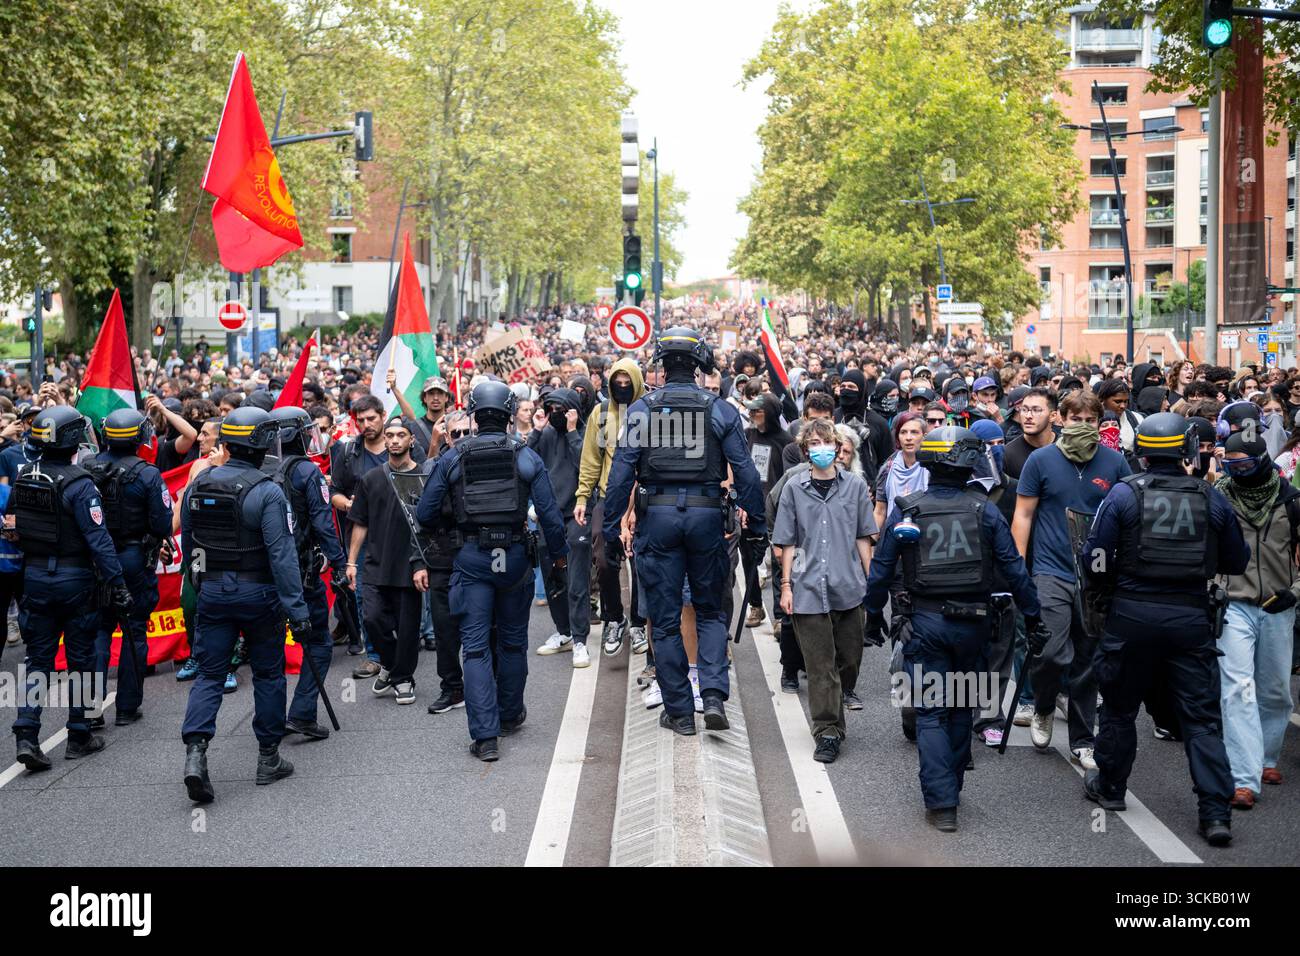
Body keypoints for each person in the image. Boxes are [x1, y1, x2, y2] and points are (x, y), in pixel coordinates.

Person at [864, 426, 1045, 832]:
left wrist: (873, 614)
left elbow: (881, 569)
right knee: (964, 708)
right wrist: (1034, 616)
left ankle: (941, 802)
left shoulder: (908, 508)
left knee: (930, 713)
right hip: (975, 626)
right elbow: (1014, 569)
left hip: (925, 626)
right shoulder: (985, 510)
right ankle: (952, 788)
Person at [1082, 413, 1250, 847]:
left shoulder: (1123, 495)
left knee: (1119, 708)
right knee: (1201, 720)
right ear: (1187, 449)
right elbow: (1235, 561)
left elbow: (1095, 560)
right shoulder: (1211, 498)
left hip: (1132, 616)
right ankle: (1215, 813)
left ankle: (1111, 788)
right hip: (1191, 619)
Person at [602, 326, 768, 736]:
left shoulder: (642, 410)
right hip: (707, 517)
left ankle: (678, 711)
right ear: (700, 364)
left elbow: (621, 475)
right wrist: (758, 526)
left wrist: (610, 530)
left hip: (657, 519)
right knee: (711, 610)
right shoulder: (719, 410)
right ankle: (711, 694)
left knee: (665, 618)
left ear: (660, 363)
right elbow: (745, 473)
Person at [416, 381, 569, 761]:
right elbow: (550, 516)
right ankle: (510, 715)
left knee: (476, 648)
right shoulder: (524, 456)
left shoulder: (453, 457)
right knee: (513, 641)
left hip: (472, 557)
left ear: (472, 411)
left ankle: (485, 737)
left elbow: (424, 513)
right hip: (514, 557)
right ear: (508, 411)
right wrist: (559, 558)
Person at [179, 406, 311, 803]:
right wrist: (298, 611)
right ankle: (268, 758)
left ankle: (196, 753)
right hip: (260, 596)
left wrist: (204, 585)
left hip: (214, 594)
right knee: (269, 675)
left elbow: (190, 546)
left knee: (209, 675)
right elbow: (282, 556)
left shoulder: (200, 483)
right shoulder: (268, 491)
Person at [1011, 390, 1130, 769]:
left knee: (1087, 659)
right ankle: (1044, 705)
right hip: (1050, 571)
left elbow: (1129, 516)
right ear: (1061, 419)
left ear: (1099, 423)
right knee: (1049, 651)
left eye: (1089, 420)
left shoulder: (1115, 463)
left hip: (1096, 578)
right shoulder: (1041, 461)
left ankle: (1083, 739)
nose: (1082, 426)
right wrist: (1018, 570)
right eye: (1075, 419)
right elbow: (1024, 515)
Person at [10, 406, 129, 770]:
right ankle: (78, 733)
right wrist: (118, 583)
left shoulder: (24, 477)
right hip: (74, 580)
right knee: (80, 658)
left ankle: (27, 734)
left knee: (38, 662)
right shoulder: (79, 484)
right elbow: (99, 540)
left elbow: (14, 525)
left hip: (34, 579)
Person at [774, 418, 876, 763]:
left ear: (838, 448)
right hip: (806, 588)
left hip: (848, 587)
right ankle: (828, 730)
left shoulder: (855, 487)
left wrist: (871, 580)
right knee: (820, 667)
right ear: (806, 451)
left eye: (826, 442)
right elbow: (786, 541)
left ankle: (836, 709)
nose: (820, 448)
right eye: (813, 443)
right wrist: (786, 585)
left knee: (847, 662)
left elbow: (864, 535)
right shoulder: (793, 488)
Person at [1214, 430, 1298, 811]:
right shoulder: (1218, 498)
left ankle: (1265, 758)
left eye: (1244, 464)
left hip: (1279, 605)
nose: (1237, 472)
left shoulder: (1290, 501)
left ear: (1262, 461)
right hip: (1233, 604)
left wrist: (1295, 591)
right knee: (1237, 689)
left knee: (1276, 690)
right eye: (1230, 465)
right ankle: (1243, 777)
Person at [88, 408, 174, 729]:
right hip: (134, 558)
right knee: (134, 630)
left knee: (97, 631)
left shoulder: (87, 468)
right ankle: (127, 706)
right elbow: (163, 522)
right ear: (141, 437)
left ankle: (90, 711)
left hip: (96, 560)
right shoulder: (148, 474)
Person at [267, 406, 349, 739]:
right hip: (301, 572)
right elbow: (323, 523)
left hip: (261, 575)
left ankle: (272, 722)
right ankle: (301, 714)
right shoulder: (307, 472)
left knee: (268, 649)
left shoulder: (256, 469)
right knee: (318, 642)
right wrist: (340, 562)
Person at [347, 417, 426, 706]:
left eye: (400, 435)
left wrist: (426, 563)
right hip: (375, 564)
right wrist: (352, 562)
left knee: (407, 630)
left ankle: (403, 679)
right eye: (390, 435)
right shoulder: (371, 479)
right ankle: (395, 669)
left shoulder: (424, 476)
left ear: (411, 440)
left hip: (410, 566)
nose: (394, 440)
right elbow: (360, 522)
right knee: (372, 619)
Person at [574, 357, 645, 656]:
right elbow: (591, 459)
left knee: (641, 563)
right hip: (607, 498)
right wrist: (582, 496)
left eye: (629, 383)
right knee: (603, 560)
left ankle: (640, 622)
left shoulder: (650, 411)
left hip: (643, 498)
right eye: (618, 383)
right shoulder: (601, 414)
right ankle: (614, 618)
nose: (623, 388)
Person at [1002, 387, 1057, 480]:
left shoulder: (1065, 449)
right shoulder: (1008, 455)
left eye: (1036, 410)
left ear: (1052, 416)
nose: (1028, 416)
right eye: (1024, 410)